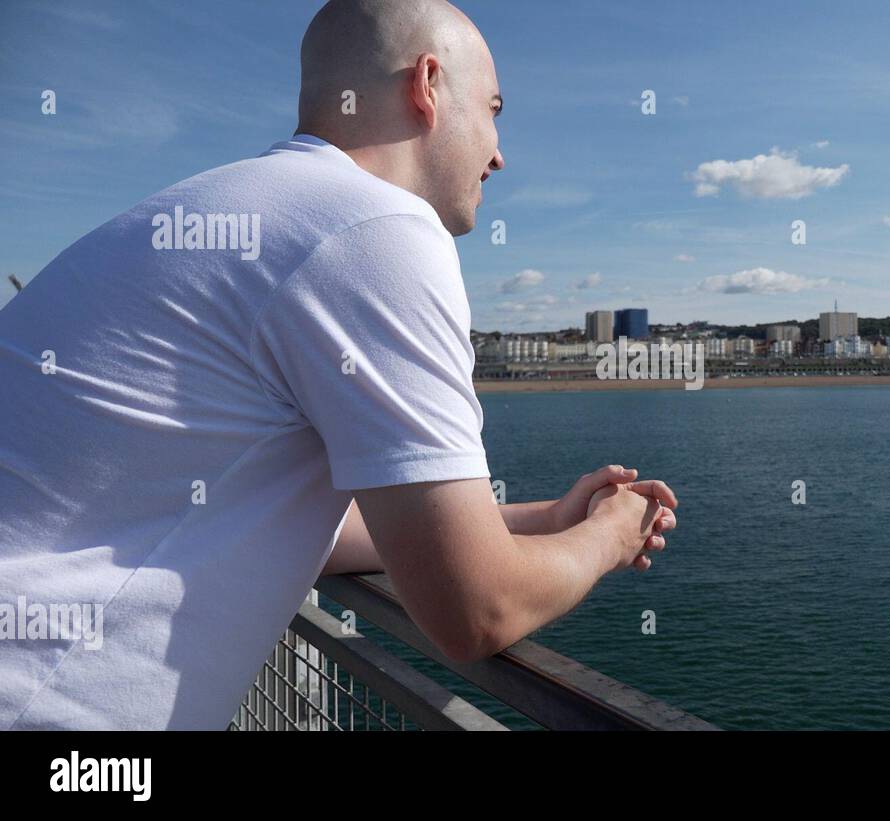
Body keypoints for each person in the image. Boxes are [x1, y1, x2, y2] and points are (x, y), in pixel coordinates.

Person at [0, 0, 677, 730]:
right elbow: (479, 609)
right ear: (428, 84)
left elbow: (291, 519)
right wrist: (609, 536)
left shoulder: (212, 214)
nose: (500, 152)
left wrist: (546, 518)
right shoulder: (375, 229)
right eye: (493, 109)